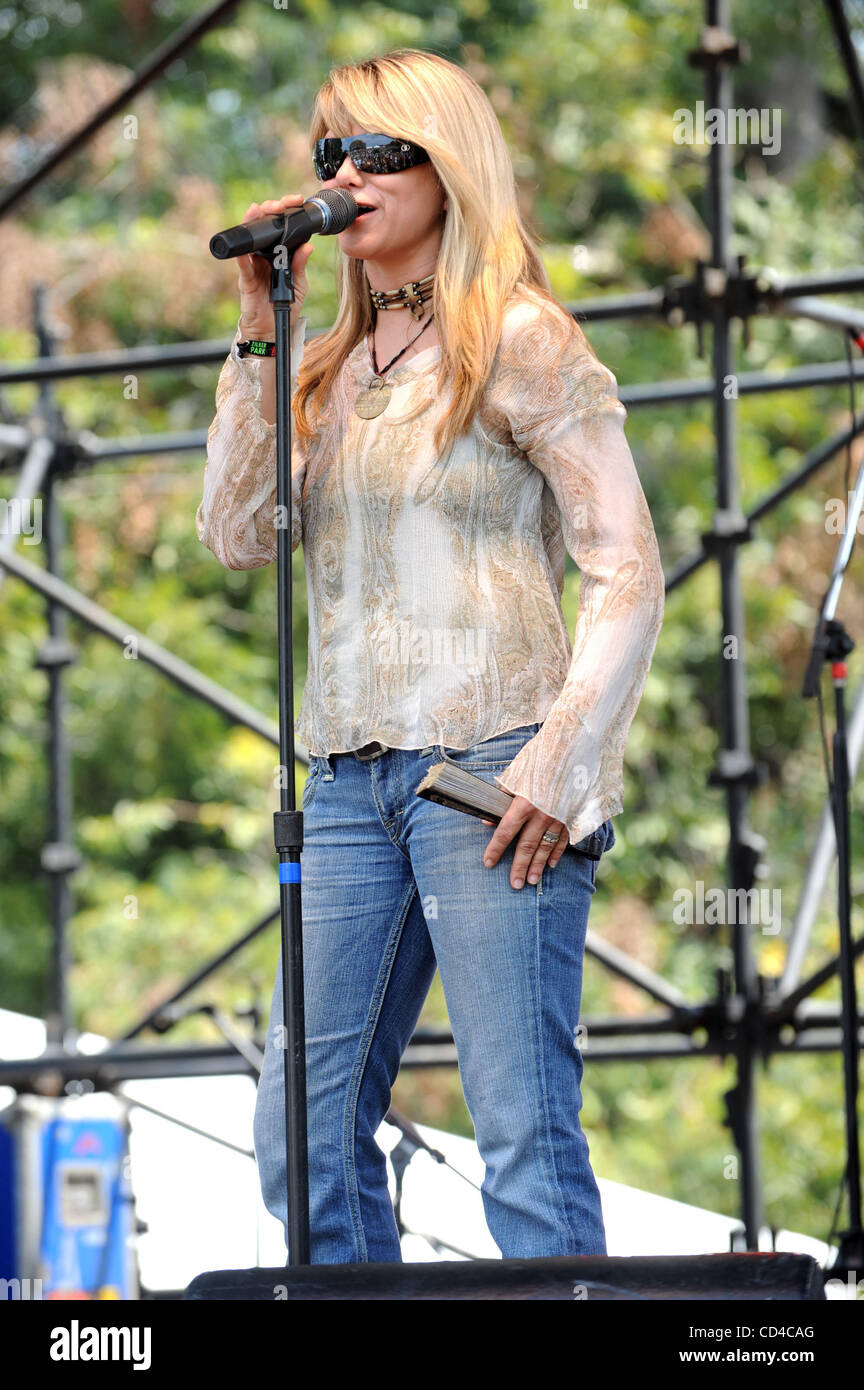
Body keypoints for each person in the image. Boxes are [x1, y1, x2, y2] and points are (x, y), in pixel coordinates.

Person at [196, 48, 665, 1264]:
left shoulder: (519, 337)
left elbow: (627, 566)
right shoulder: (322, 363)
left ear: (446, 166)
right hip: (348, 780)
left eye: (374, 151)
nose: (345, 174)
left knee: (522, 1133)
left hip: (494, 771)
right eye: (328, 155)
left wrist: (559, 768)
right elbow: (241, 533)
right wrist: (258, 319)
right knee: (299, 1136)